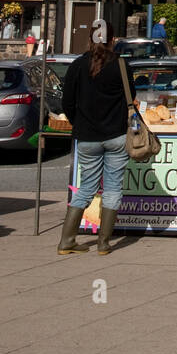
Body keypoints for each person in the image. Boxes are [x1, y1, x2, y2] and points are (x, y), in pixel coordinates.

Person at [59, 20, 136, 257]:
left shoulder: (78, 65)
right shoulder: (121, 65)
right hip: (116, 135)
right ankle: (104, 243)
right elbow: (130, 98)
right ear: (112, 40)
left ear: (90, 38)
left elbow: (67, 103)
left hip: (87, 136)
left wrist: (78, 121)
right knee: (113, 188)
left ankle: (67, 240)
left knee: (86, 188)